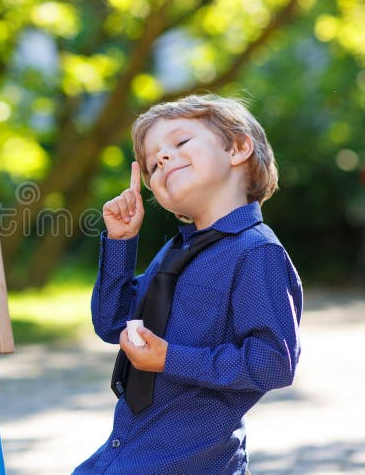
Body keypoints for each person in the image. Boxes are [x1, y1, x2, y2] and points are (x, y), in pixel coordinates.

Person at [73, 94, 302, 474]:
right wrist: (120, 243)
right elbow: (112, 324)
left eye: (179, 143)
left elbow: (273, 363)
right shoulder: (176, 253)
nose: (162, 158)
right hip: (132, 447)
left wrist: (169, 359)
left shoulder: (257, 253)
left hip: (192, 461)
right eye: (152, 163)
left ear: (239, 148)